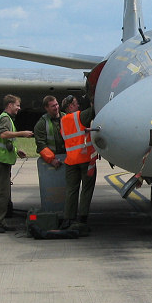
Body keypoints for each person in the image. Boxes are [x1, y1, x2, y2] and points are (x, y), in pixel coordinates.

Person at [0, 95, 34, 233]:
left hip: (0, 160)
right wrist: (22, 133)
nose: (19, 108)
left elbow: (7, 142)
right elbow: (4, 135)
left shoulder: (6, 118)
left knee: (2, 193)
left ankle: (0, 221)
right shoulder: (5, 118)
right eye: (17, 105)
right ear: (10, 105)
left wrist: (17, 151)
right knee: (2, 194)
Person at [60, 94, 97, 227]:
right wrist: (94, 97)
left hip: (71, 161)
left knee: (71, 189)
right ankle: (82, 218)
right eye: (76, 104)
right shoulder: (79, 116)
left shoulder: (63, 120)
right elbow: (94, 109)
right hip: (85, 159)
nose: (78, 106)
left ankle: (68, 218)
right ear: (70, 106)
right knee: (87, 188)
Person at [34, 95, 66, 168]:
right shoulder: (42, 123)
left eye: (57, 104)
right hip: (53, 160)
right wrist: (51, 160)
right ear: (46, 108)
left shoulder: (66, 117)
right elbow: (41, 144)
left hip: (68, 158)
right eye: (53, 106)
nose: (56, 107)